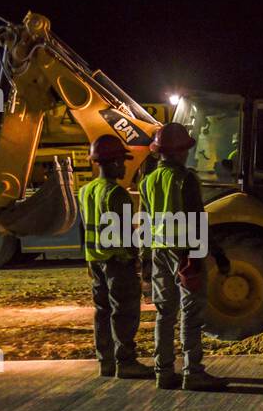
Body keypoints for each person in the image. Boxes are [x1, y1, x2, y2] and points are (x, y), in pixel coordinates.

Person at [139, 122, 228, 391]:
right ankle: (192, 372)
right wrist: (218, 254)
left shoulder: (148, 181)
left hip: (158, 252)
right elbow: (197, 220)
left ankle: (163, 372)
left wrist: (144, 260)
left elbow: (144, 222)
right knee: (190, 313)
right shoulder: (184, 179)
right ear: (179, 152)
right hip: (186, 254)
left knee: (165, 313)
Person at [76, 135, 152, 379]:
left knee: (103, 311)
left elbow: (87, 228)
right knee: (125, 312)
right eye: (121, 161)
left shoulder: (85, 191)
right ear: (109, 162)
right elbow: (124, 234)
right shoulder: (116, 194)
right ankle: (126, 362)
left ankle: (106, 362)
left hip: (95, 261)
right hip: (118, 263)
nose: (123, 166)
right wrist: (136, 260)